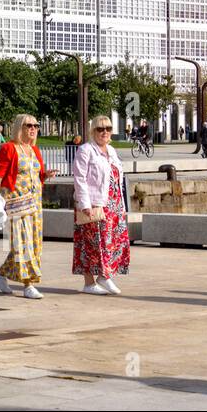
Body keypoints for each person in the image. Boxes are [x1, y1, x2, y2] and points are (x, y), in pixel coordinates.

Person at [0, 113, 55, 299]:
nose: (33, 128)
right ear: (19, 127)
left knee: (34, 244)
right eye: (28, 125)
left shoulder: (34, 150)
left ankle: (0, 274)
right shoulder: (9, 148)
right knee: (23, 244)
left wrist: (46, 175)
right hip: (16, 204)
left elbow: (37, 175)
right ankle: (29, 285)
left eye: (36, 125)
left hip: (35, 204)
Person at [71, 116, 131, 295]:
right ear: (93, 131)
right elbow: (79, 178)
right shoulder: (86, 150)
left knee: (112, 242)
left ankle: (99, 278)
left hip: (113, 204)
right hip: (94, 203)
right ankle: (98, 279)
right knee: (91, 244)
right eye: (100, 129)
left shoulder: (111, 150)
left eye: (108, 128)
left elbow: (117, 179)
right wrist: (85, 203)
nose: (104, 132)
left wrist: (122, 205)